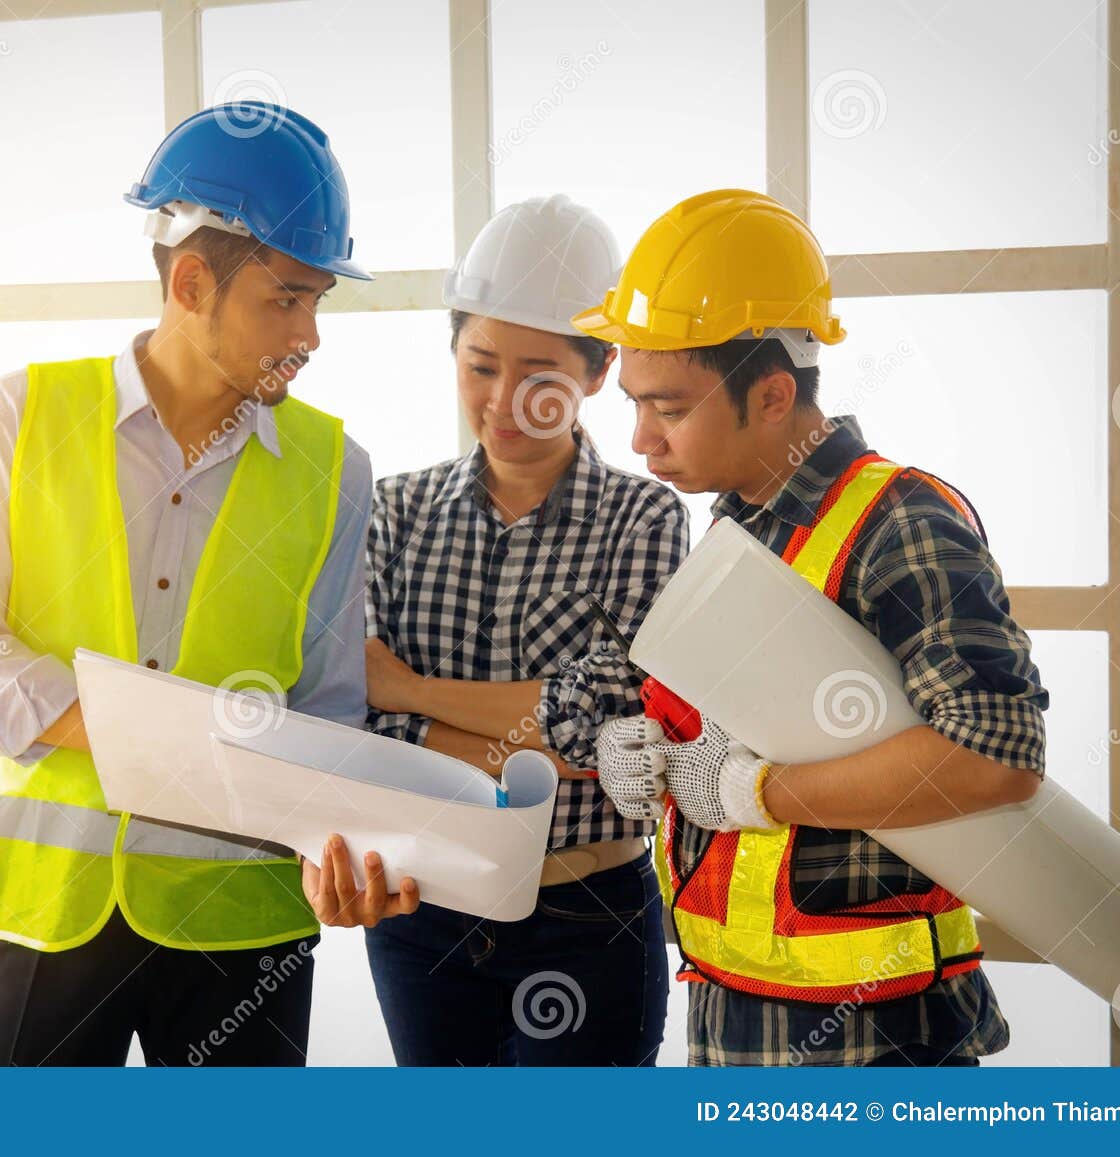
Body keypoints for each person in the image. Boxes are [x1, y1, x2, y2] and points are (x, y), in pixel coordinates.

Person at [0, 102, 417, 1068]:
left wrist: (339, 850)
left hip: (247, 933)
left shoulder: (334, 468)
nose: (311, 332)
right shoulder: (19, 416)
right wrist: (141, 732)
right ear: (192, 282)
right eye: (286, 299)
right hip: (45, 919)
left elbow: (326, 707)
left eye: (319, 299)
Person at [581, 188, 1049, 1067]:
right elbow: (754, 723)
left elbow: (999, 757)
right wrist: (652, 744)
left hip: (876, 1040)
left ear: (770, 394)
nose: (639, 437)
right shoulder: (738, 528)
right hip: (729, 1009)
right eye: (635, 403)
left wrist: (758, 793)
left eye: (669, 407)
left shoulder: (901, 523)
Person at [362, 195, 687, 1065]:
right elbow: (357, 719)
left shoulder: (644, 517)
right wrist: (535, 747)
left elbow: (621, 723)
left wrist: (409, 691)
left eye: (540, 371)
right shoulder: (392, 510)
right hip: (422, 915)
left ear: (598, 368)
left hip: (590, 916)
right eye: (480, 365)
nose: (505, 401)